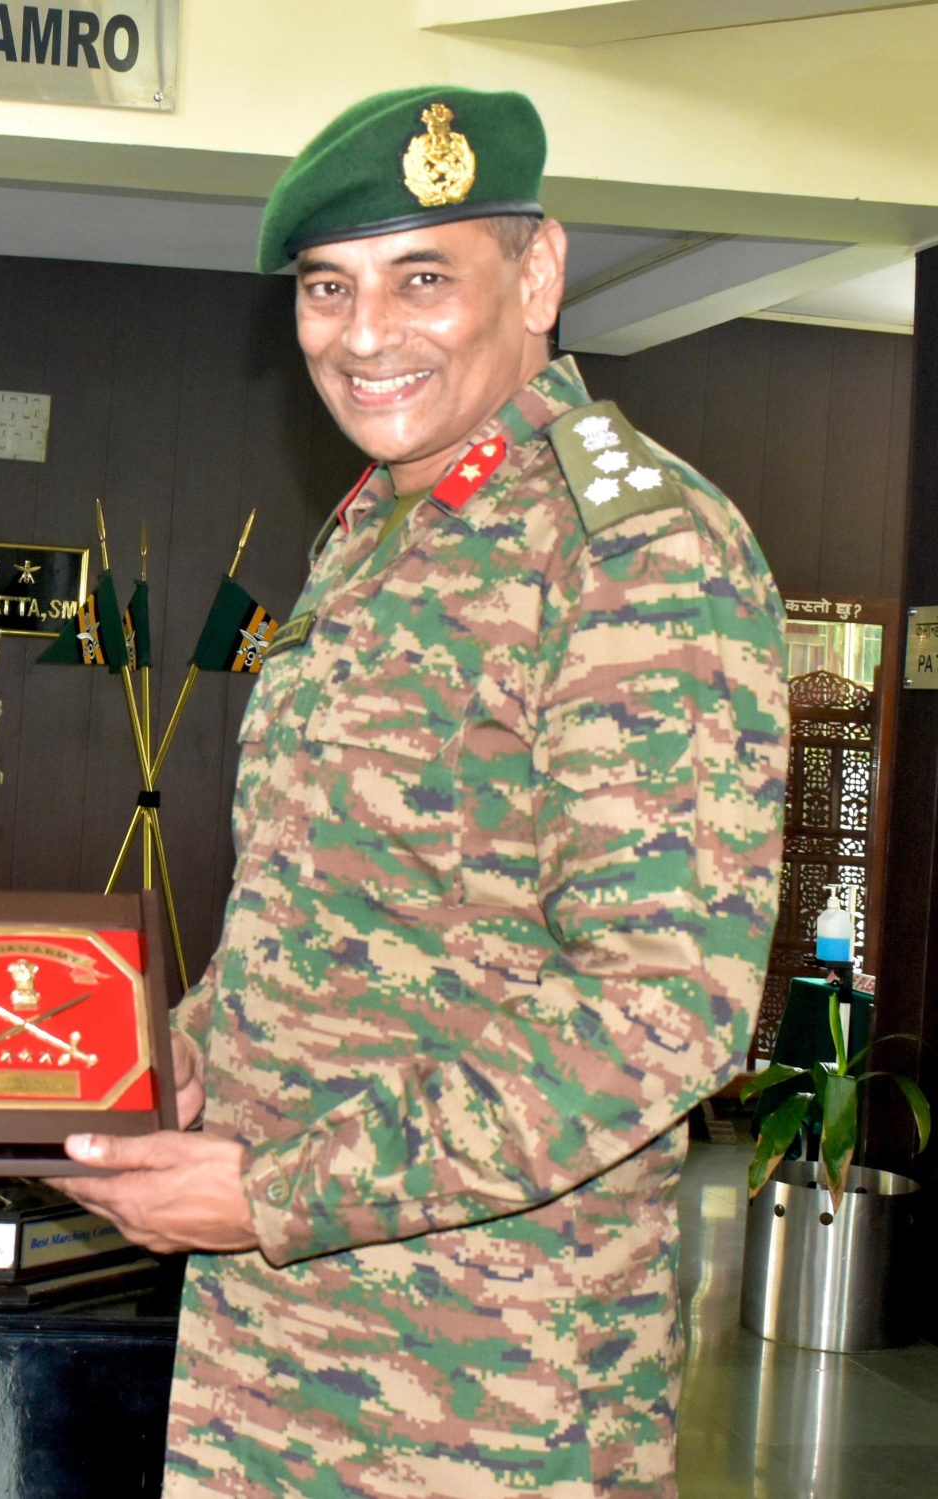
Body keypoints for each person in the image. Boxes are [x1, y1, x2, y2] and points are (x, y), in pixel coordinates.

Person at [55, 86, 790, 1496]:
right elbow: (330, 925)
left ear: (541, 276)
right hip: (277, 1368)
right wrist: (192, 1057)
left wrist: (273, 1193)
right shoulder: (381, 534)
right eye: (327, 288)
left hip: (485, 1403)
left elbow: (659, 1010)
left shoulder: (631, 552)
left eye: (423, 277)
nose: (365, 333)